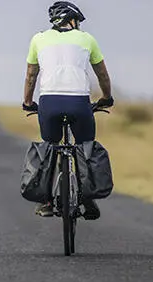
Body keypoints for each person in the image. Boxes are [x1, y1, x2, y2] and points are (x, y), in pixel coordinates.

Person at [22, 1, 114, 219]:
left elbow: (30, 76)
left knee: (50, 147)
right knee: (85, 147)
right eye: (77, 21)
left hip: (49, 103)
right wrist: (106, 98)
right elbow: (102, 74)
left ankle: (45, 202)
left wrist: (27, 101)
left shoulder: (38, 39)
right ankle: (88, 198)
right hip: (80, 103)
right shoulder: (87, 40)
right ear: (70, 20)